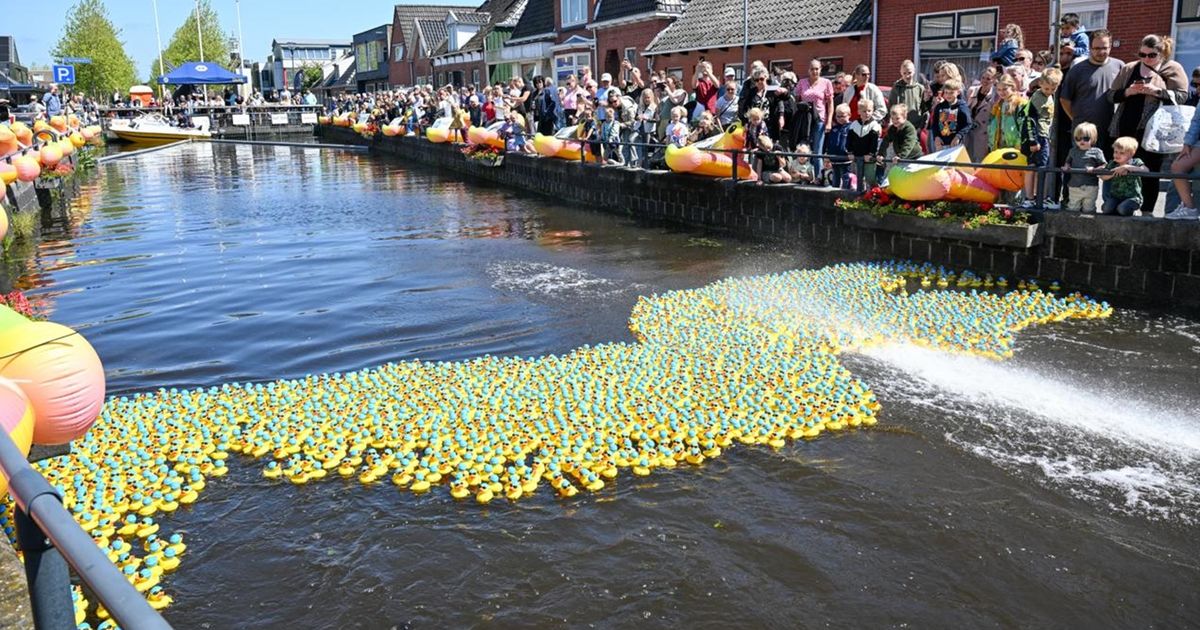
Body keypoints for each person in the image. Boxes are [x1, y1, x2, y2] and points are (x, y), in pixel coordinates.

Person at [1107, 34, 1188, 214]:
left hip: (1154, 132)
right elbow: (1111, 96)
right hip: (1126, 129)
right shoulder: (1129, 68)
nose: (1146, 59)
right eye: (1142, 54)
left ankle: (1147, 212)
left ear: (1162, 54)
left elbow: (1183, 96)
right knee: (1120, 168)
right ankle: (1121, 207)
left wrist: (1158, 91)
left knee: (1150, 171)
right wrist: (1128, 92)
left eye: (1151, 55)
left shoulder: (1173, 68)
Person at [1061, 30, 1122, 156]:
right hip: (1085, 133)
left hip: (1112, 131)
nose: (1100, 52)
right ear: (1089, 48)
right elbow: (1065, 99)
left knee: (1110, 170)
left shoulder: (1120, 66)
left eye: (1104, 48)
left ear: (1110, 46)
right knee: (1084, 171)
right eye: (1096, 48)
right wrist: (1077, 118)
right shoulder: (1077, 70)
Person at [1019, 67, 1061, 207]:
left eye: (1053, 89)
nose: (1049, 91)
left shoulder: (1049, 96)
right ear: (1041, 83)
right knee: (1039, 167)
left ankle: (1034, 198)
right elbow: (1030, 120)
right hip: (1038, 136)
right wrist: (1033, 140)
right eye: (1047, 88)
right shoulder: (1038, 97)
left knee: (1036, 166)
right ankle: (1037, 199)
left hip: (1043, 134)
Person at [796, 60, 834, 176]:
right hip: (805, 120)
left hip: (819, 120)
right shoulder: (802, 82)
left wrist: (829, 122)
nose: (814, 71)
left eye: (817, 69)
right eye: (812, 69)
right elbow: (796, 99)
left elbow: (830, 103)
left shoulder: (826, 82)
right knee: (805, 149)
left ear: (820, 70)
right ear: (808, 70)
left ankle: (819, 177)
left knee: (817, 151)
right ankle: (804, 176)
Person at [1062, 122, 1107, 213]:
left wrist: (1094, 169)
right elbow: (1068, 162)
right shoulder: (1073, 151)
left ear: (1093, 138)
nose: (1081, 141)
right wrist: (1066, 166)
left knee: (1089, 210)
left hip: (1090, 186)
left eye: (1086, 138)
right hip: (1074, 185)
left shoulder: (1097, 152)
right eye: (1078, 139)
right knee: (1073, 208)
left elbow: (1104, 165)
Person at [1099, 136, 1148, 215]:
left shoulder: (1135, 162)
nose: (1117, 155)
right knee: (1107, 209)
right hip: (1115, 196)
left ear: (1131, 154)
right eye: (1115, 152)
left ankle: (1129, 210)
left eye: (1121, 153)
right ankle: (1115, 208)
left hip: (1132, 197)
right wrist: (1114, 173)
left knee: (1122, 209)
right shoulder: (1112, 163)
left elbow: (1145, 170)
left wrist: (1127, 167)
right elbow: (1103, 177)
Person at [877, 103, 921, 178]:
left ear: (904, 117)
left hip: (913, 157)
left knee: (910, 177)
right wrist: (881, 154)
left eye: (897, 118)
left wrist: (900, 156)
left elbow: (908, 144)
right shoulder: (892, 128)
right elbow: (885, 141)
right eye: (892, 119)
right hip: (901, 156)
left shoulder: (909, 128)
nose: (895, 121)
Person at [847, 99, 881, 193]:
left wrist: (871, 154)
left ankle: (876, 195)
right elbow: (849, 140)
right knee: (857, 179)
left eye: (869, 111)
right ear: (859, 111)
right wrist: (850, 152)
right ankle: (859, 197)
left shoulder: (874, 125)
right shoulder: (853, 125)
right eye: (864, 111)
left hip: (868, 158)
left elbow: (874, 142)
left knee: (870, 178)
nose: (867, 113)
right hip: (857, 157)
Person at [965, 66, 998, 161]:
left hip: (984, 132)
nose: (985, 81)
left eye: (988, 79)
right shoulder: (972, 90)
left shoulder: (995, 94)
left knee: (981, 160)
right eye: (983, 78)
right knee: (967, 159)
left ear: (994, 80)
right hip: (970, 130)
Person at [928, 79, 971, 151]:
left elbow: (968, 124)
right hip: (941, 144)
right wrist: (936, 137)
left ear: (958, 92)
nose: (948, 95)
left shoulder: (962, 107)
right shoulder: (939, 107)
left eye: (951, 93)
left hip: (956, 144)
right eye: (946, 92)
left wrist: (958, 136)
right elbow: (934, 124)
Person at [827, 103, 853, 188]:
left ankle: (846, 197)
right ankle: (835, 198)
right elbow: (830, 142)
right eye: (838, 116)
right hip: (834, 158)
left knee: (846, 178)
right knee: (835, 179)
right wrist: (828, 153)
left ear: (849, 115)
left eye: (843, 116)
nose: (840, 118)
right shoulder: (834, 129)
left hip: (846, 159)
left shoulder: (852, 127)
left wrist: (851, 152)